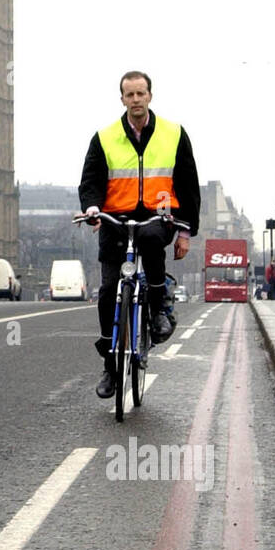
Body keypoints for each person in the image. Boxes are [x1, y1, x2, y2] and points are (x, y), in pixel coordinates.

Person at [79, 71, 201, 398]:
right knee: (107, 291)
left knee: (149, 241)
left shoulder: (174, 134)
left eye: (140, 94)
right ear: (122, 99)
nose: (135, 100)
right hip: (115, 219)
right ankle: (110, 366)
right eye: (129, 95)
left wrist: (185, 233)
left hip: (157, 216)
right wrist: (92, 208)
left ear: (150, 96)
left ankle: (159, 308)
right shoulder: (104, 137)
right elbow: (90, 180)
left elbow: (188, 185)